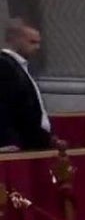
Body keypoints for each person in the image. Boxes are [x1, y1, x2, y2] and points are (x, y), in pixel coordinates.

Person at [0, 18, 52, 152]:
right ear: (14, 40)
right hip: (18, 146)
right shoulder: (4, 66)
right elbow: (4, 106)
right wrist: (8, 141)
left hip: (32, 142)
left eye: (38, 43)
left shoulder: (19, 67)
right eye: (32, 42)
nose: (37, 47)